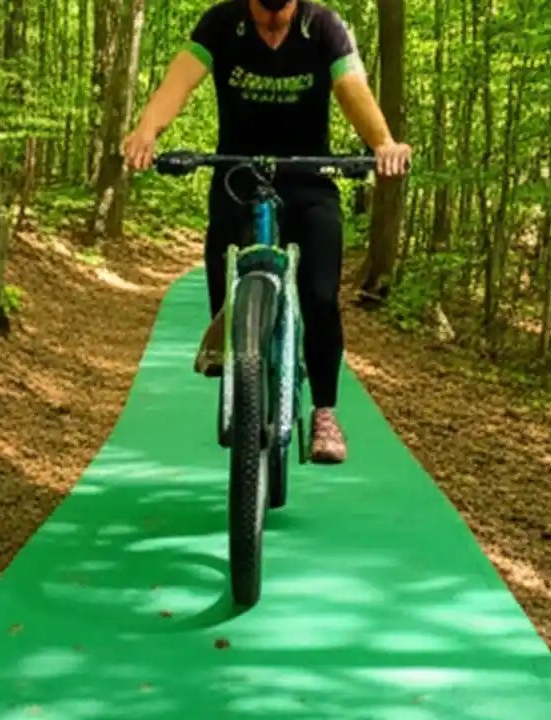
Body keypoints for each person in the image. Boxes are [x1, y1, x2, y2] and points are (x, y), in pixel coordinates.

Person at [123, 0, 411, 464]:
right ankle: (229, 343)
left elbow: (351, 86)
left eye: (278, 11)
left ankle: (324, 411)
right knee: (222, 252)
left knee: (320, 296)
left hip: (308, 176)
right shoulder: (221, 23)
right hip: (238, 172)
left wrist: (382, 143)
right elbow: (180, 80)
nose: (270, 18)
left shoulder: (324, 26)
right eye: (260, 10)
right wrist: (147, 130)